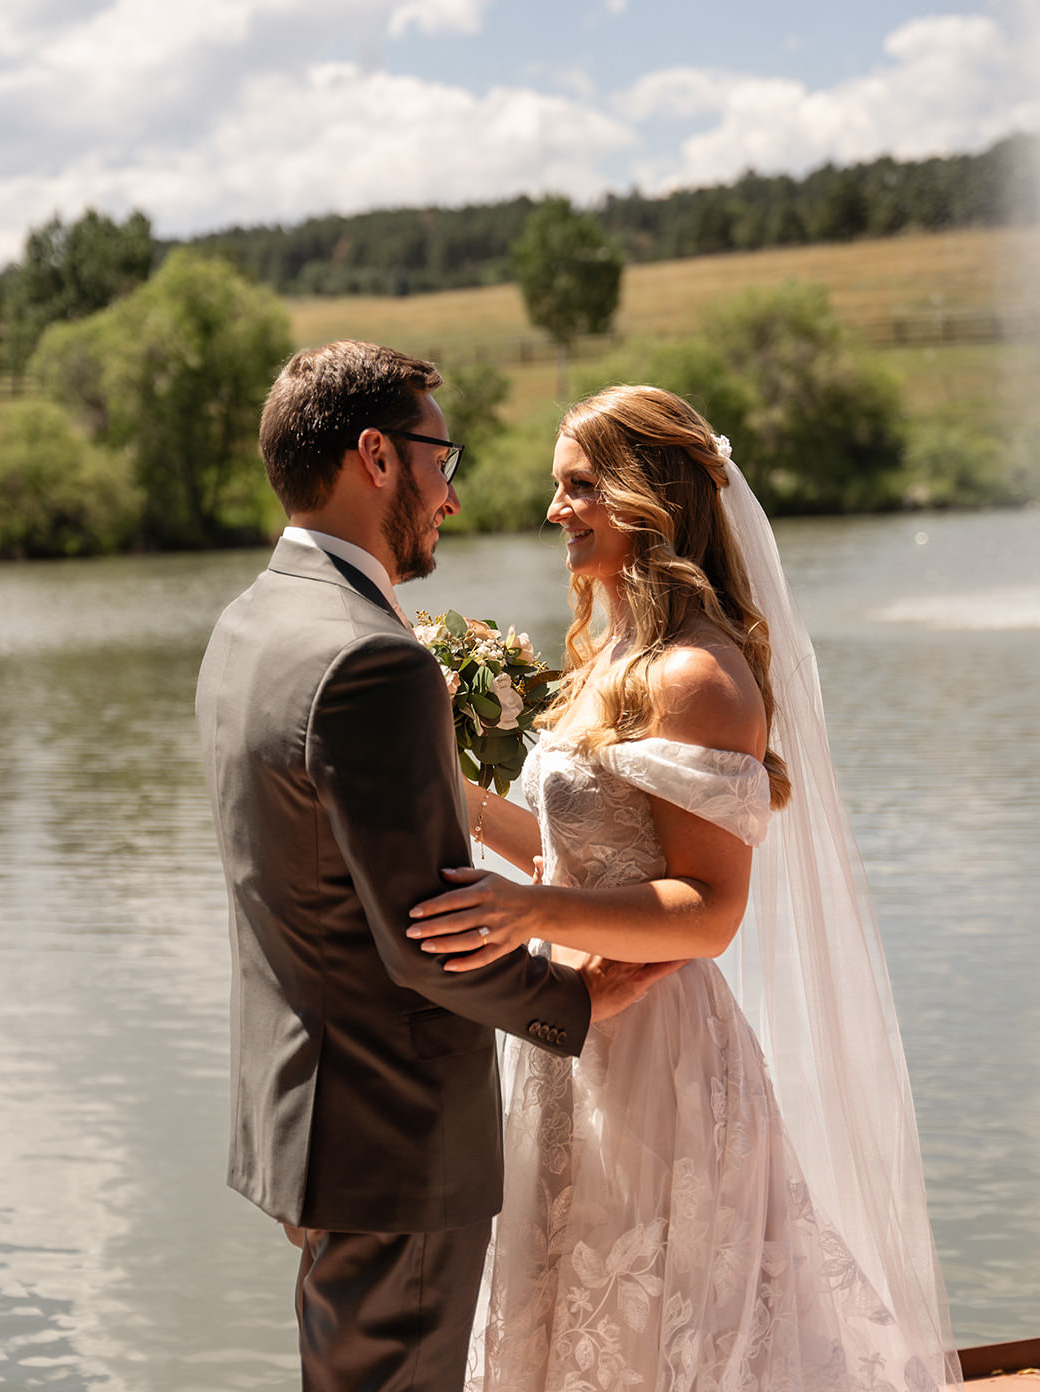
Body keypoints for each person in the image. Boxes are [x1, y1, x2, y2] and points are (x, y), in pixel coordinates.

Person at [407, 385, 961, 1392]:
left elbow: (708, 910)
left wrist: (528, 913)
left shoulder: (697, 675)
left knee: (659, 1331)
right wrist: (447, 790)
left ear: (646, 495)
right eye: (559, 487)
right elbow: (573, 853)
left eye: (578, 486)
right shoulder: (609, 658)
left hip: (656, 1051)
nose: (555, 510)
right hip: (568, 1028)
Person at [194, 344, 675, 1392]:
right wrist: (578, 999)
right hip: (394, 1132)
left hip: (307, 1113)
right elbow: (428, 937)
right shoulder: (373, 657)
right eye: (438, 460)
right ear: (376, 456)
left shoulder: (249, 624)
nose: (450, 497)